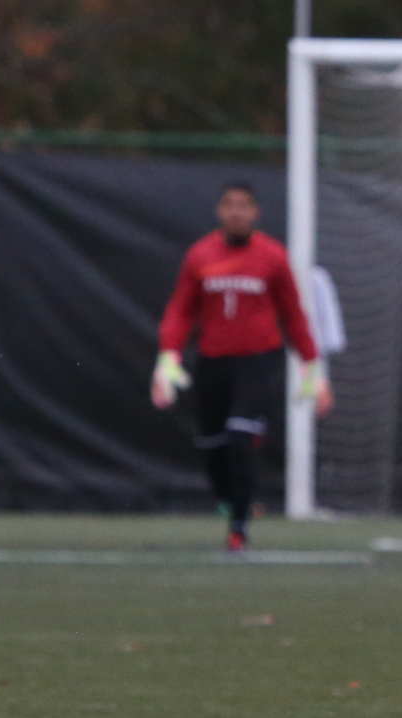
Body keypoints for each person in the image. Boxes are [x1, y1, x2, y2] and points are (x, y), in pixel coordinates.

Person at [153, 181, 334, 551]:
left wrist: (312, 368)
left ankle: (239, 527)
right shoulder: (201, 254)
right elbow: (180, 310)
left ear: (256, 212)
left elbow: (294, 315)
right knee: (211, 445)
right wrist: (168, 356)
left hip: (256, 361)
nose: (236, 211)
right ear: (219, 211)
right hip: (212, 361)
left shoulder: (272, 256)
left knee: (240, 437)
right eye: (229, 204)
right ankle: (230, 501)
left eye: (244, 205)